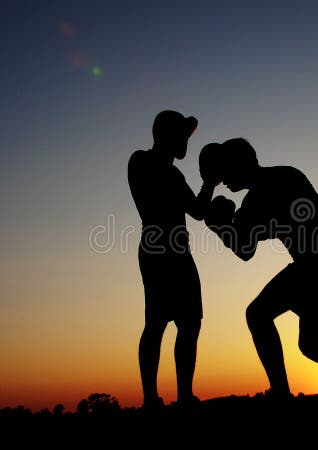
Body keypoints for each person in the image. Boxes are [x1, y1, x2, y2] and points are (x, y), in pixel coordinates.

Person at [200, 137, 318, 399]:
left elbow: (245, 248)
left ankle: (281, 393)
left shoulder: (274, 184)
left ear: (239, 164)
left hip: (317, 265)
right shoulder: (277, 182)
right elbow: (247, 247)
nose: (222, 181)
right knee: (310, 345)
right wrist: (225, 225)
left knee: (258, 315)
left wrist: (222, 224)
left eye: (224, 171)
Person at [127, 110, 216, 409]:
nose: (185, 146)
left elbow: (198, 211)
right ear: (165, 135)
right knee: (156, 323)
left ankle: (184, 396)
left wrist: (209, 183)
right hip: (157, 252)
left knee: (190, 324)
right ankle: (150, 398)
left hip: (180, 253)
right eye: (180, 137)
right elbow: (154, 199)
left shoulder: (174, 173)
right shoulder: (141, 160)